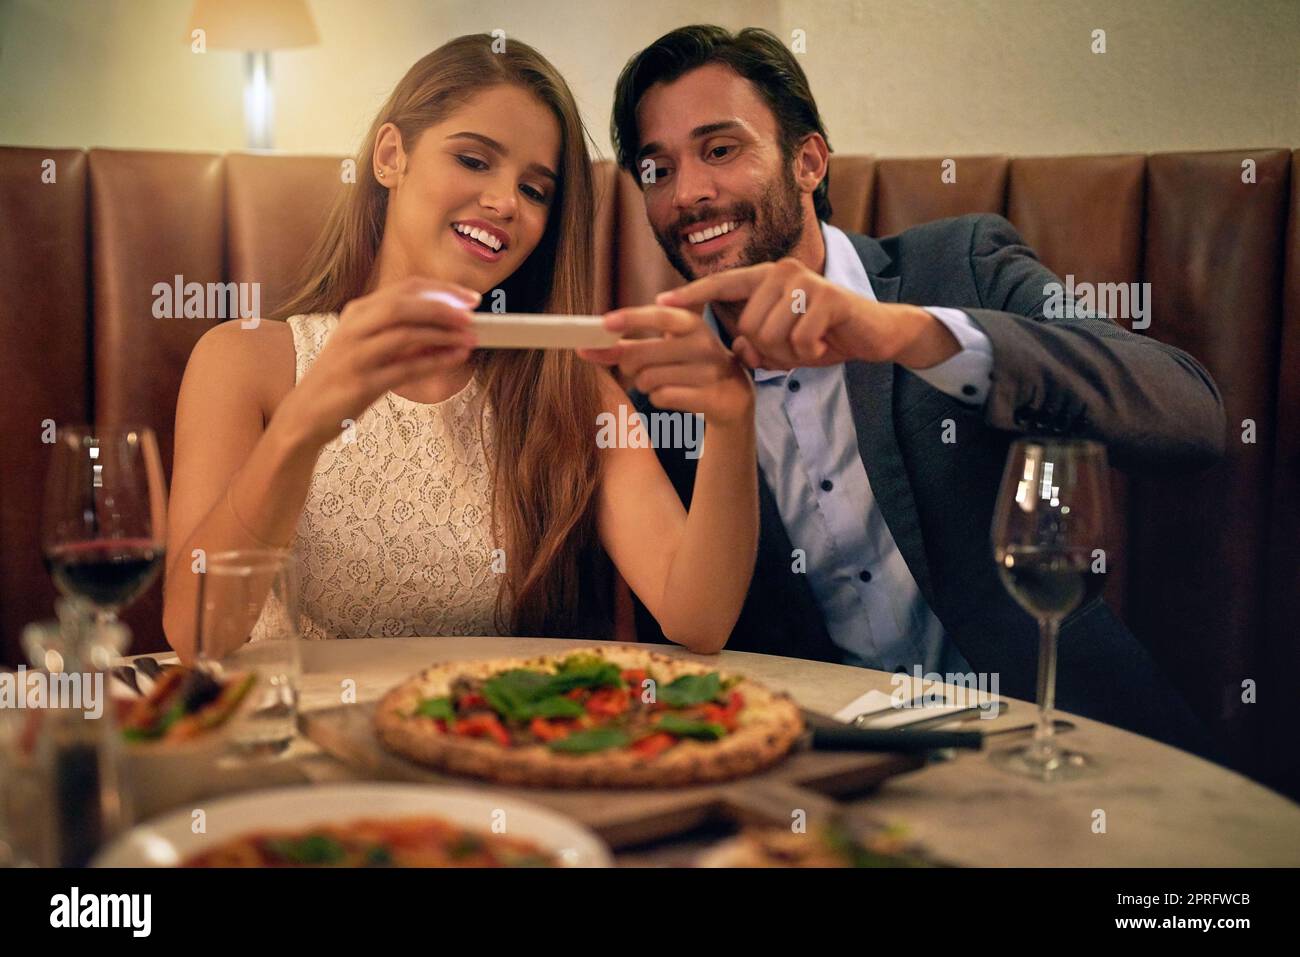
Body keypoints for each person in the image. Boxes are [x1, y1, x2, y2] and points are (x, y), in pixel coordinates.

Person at [605, 25, 1225, 754]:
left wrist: (905, 335)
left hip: (1061, 743)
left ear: (808, 161)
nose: (690, 193)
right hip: (837, 778)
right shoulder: (656, 395)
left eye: (720, 149)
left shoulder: (958, 268)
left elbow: (1189, 414)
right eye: (657, 169)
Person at [162, 34, 757, 661]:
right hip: (295, 745)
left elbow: (700, 618)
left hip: (478, 743)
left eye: (535, 190)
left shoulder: (572, 392)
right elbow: (199, 634)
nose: (504, 202)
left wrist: (732, 418)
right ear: (392, 156)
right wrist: (303, 425)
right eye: (474, 160)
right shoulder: (244, 361)